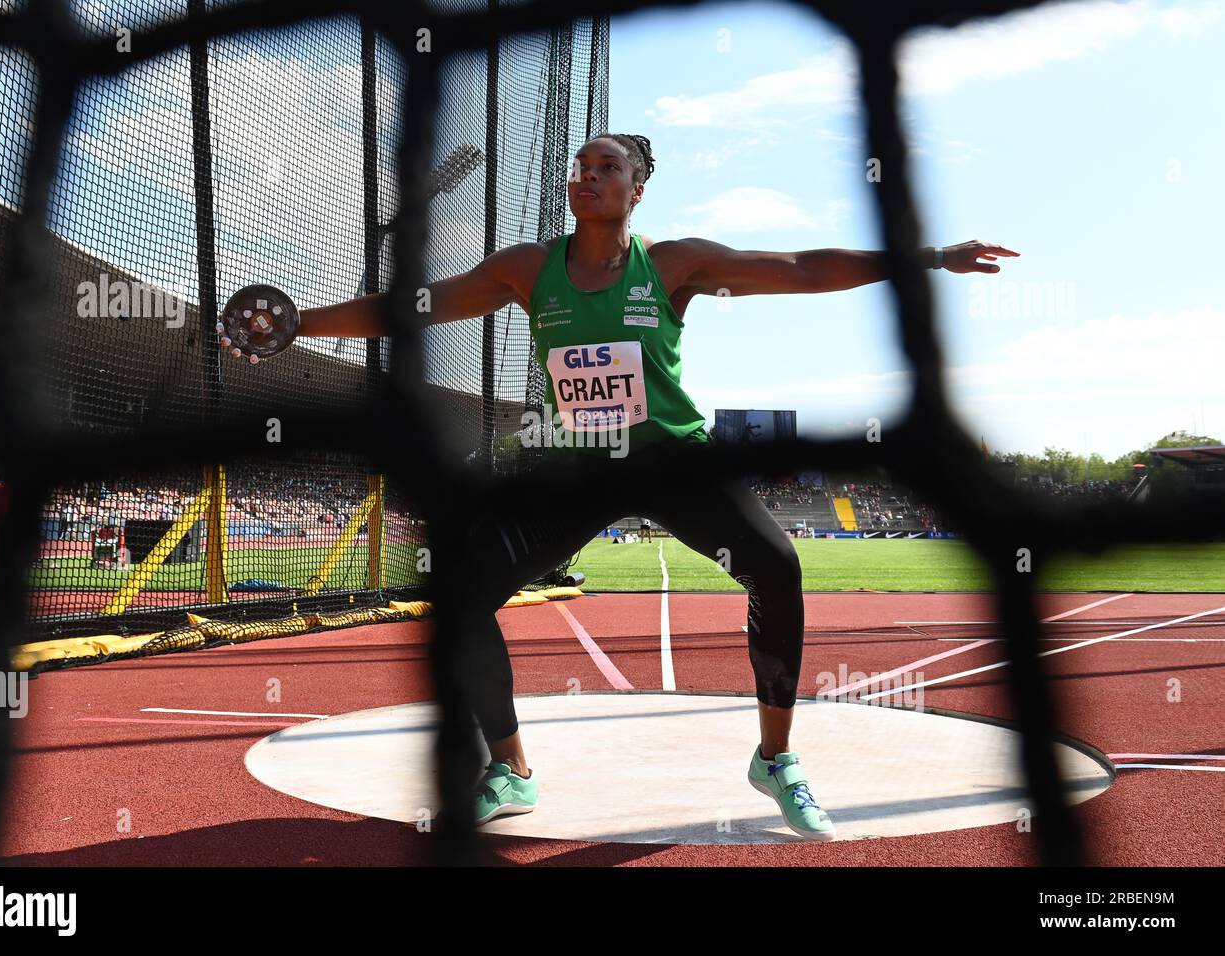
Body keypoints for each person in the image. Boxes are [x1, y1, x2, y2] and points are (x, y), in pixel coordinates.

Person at [223, 132, 1016, 841]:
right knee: (460, 594)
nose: (588, 175)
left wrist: (929, 257)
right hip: (576, 471)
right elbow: (416, 309)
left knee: (777, 567)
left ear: (638, 188)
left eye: (608, 167)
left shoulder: (675, 264)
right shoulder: (525, 270)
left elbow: (804, 269)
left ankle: (775, 759)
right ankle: (511, 770)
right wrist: (299, 324)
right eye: (581, 166)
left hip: (673, 459)